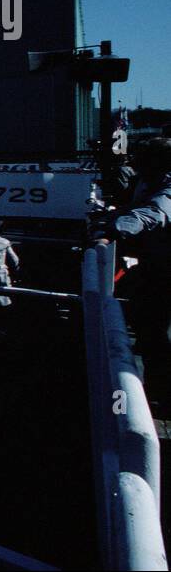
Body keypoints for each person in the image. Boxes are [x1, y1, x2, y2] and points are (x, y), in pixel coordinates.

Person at [95, 138, 171, 397]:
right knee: (151, 330)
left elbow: (151, 214)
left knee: (157, 333)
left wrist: (113, 229)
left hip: (163, 275)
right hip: (156, 269)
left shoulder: (166, 188)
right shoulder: (153, 183)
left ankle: (160, 395)